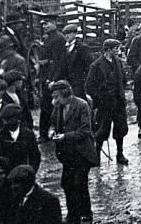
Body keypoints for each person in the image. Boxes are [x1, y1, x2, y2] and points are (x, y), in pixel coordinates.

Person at [48, 80, 97, 224]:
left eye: (57, 96)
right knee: (66, 183)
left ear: (66, 94)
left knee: (80, 183)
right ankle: (72, 214)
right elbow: (52, 123)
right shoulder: (58, 107)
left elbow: (85, 130)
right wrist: (51, 131)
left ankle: (86, 215)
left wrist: (65, 136)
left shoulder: (82, 105)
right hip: (66, 154)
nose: (54, 100)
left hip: (82, 153)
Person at [84, 38, 130, 166]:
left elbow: (124, 79)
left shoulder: (118, 62)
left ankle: (120, 154)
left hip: (118, 102)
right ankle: (96, 156)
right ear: (108, 50)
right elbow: (89, 86)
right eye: (116, 48)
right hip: (105, 104)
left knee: (120, 129)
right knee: (102, 131)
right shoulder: (96, 65)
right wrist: (99, 99)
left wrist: (120, 92)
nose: (118, 50)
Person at [57, 24, 92, 100]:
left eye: (70, 33)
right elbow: (61, 66)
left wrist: (86, 82)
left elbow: (88, 66)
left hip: (79, 83)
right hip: (67, 83)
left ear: (75, 34)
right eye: (65, 34)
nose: (67, 36)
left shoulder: (82, 47)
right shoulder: (64, 48)